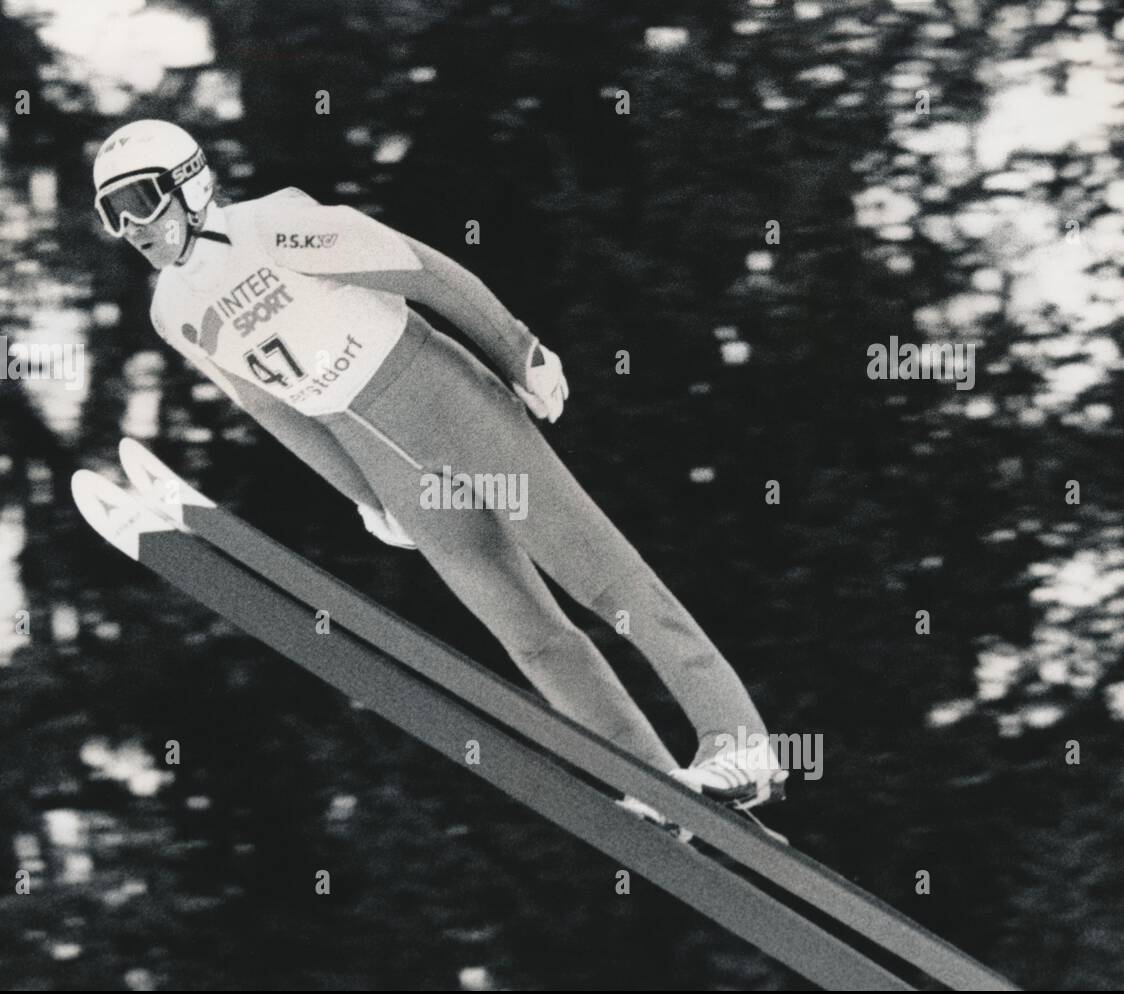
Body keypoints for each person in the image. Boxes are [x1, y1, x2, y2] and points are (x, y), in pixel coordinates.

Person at [92, 118, 785, 814]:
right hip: (383, 455)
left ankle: (742, 740)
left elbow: (425, 271)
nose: (134, 226)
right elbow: (271, 409)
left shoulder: (274, 225)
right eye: (113, 214)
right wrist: (364, 495)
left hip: (445, 400)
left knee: (602, 577)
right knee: (528, 634)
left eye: (142, 200)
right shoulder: (172, 309)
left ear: (190, 182)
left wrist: (521, 352)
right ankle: (653, 783)